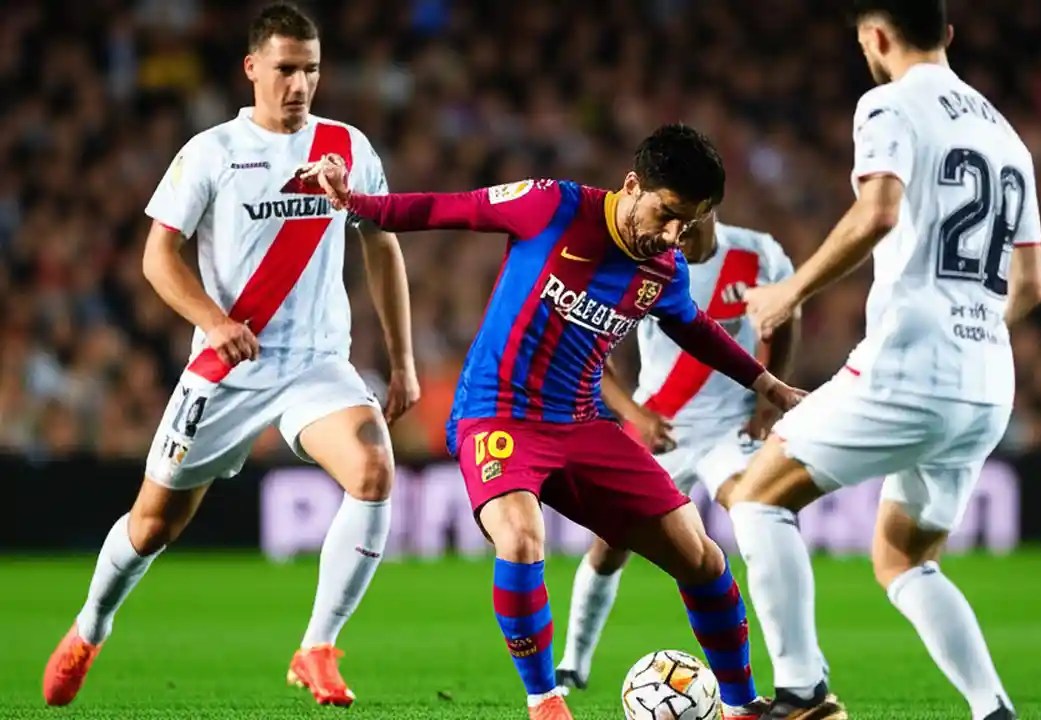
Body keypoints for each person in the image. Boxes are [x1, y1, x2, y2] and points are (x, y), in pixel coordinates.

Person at [304, 124, 804, 720]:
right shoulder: (553, 206)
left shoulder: (663, 270)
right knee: (519, 535)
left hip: (582, 425)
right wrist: (354, 202)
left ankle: (741, 705)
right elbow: (447, 209)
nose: (672, 236)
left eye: (688, 225)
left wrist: (769, 386)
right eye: (667, 214)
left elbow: (695, 328)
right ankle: (545, 701)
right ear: (631, 186)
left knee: (702, 558)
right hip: (498, 415)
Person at [41, 2, 419, 708]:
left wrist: (402, 361)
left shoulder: (348, 146)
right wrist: (212, 322)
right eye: (285, 69)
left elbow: (381, 244)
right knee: (155, 523)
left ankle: (317, 647)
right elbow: (158, 256)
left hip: (316, 364)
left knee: (372, 469)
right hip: (230, 367)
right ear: (252, 69)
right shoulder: (211, 152)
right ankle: (90, 627)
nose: (299, 84)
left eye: (310, 69)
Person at [726, 1, 1041, 718]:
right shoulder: (1008, 137)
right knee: (904, 560)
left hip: (911, 369)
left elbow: (877, 211)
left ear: (874, 37)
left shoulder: (888, 104)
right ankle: (992, 709)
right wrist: (966, 326)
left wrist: (788, 292)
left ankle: (803, 692)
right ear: (949, 36)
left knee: (756, 497)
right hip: (987, 382)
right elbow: (1031, 286)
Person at [553, 212, 800, 694]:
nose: (674, 222)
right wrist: (636, 415)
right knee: (609, 546)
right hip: (660, 428)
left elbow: (788, 313)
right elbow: (590, 354)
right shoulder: (645, 261)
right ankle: (573, 663)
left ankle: (795, 671)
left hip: (730, 430)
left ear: (708, 205)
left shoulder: (758, 252)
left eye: (684, 209)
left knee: (755, 512)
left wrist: (767, 402)